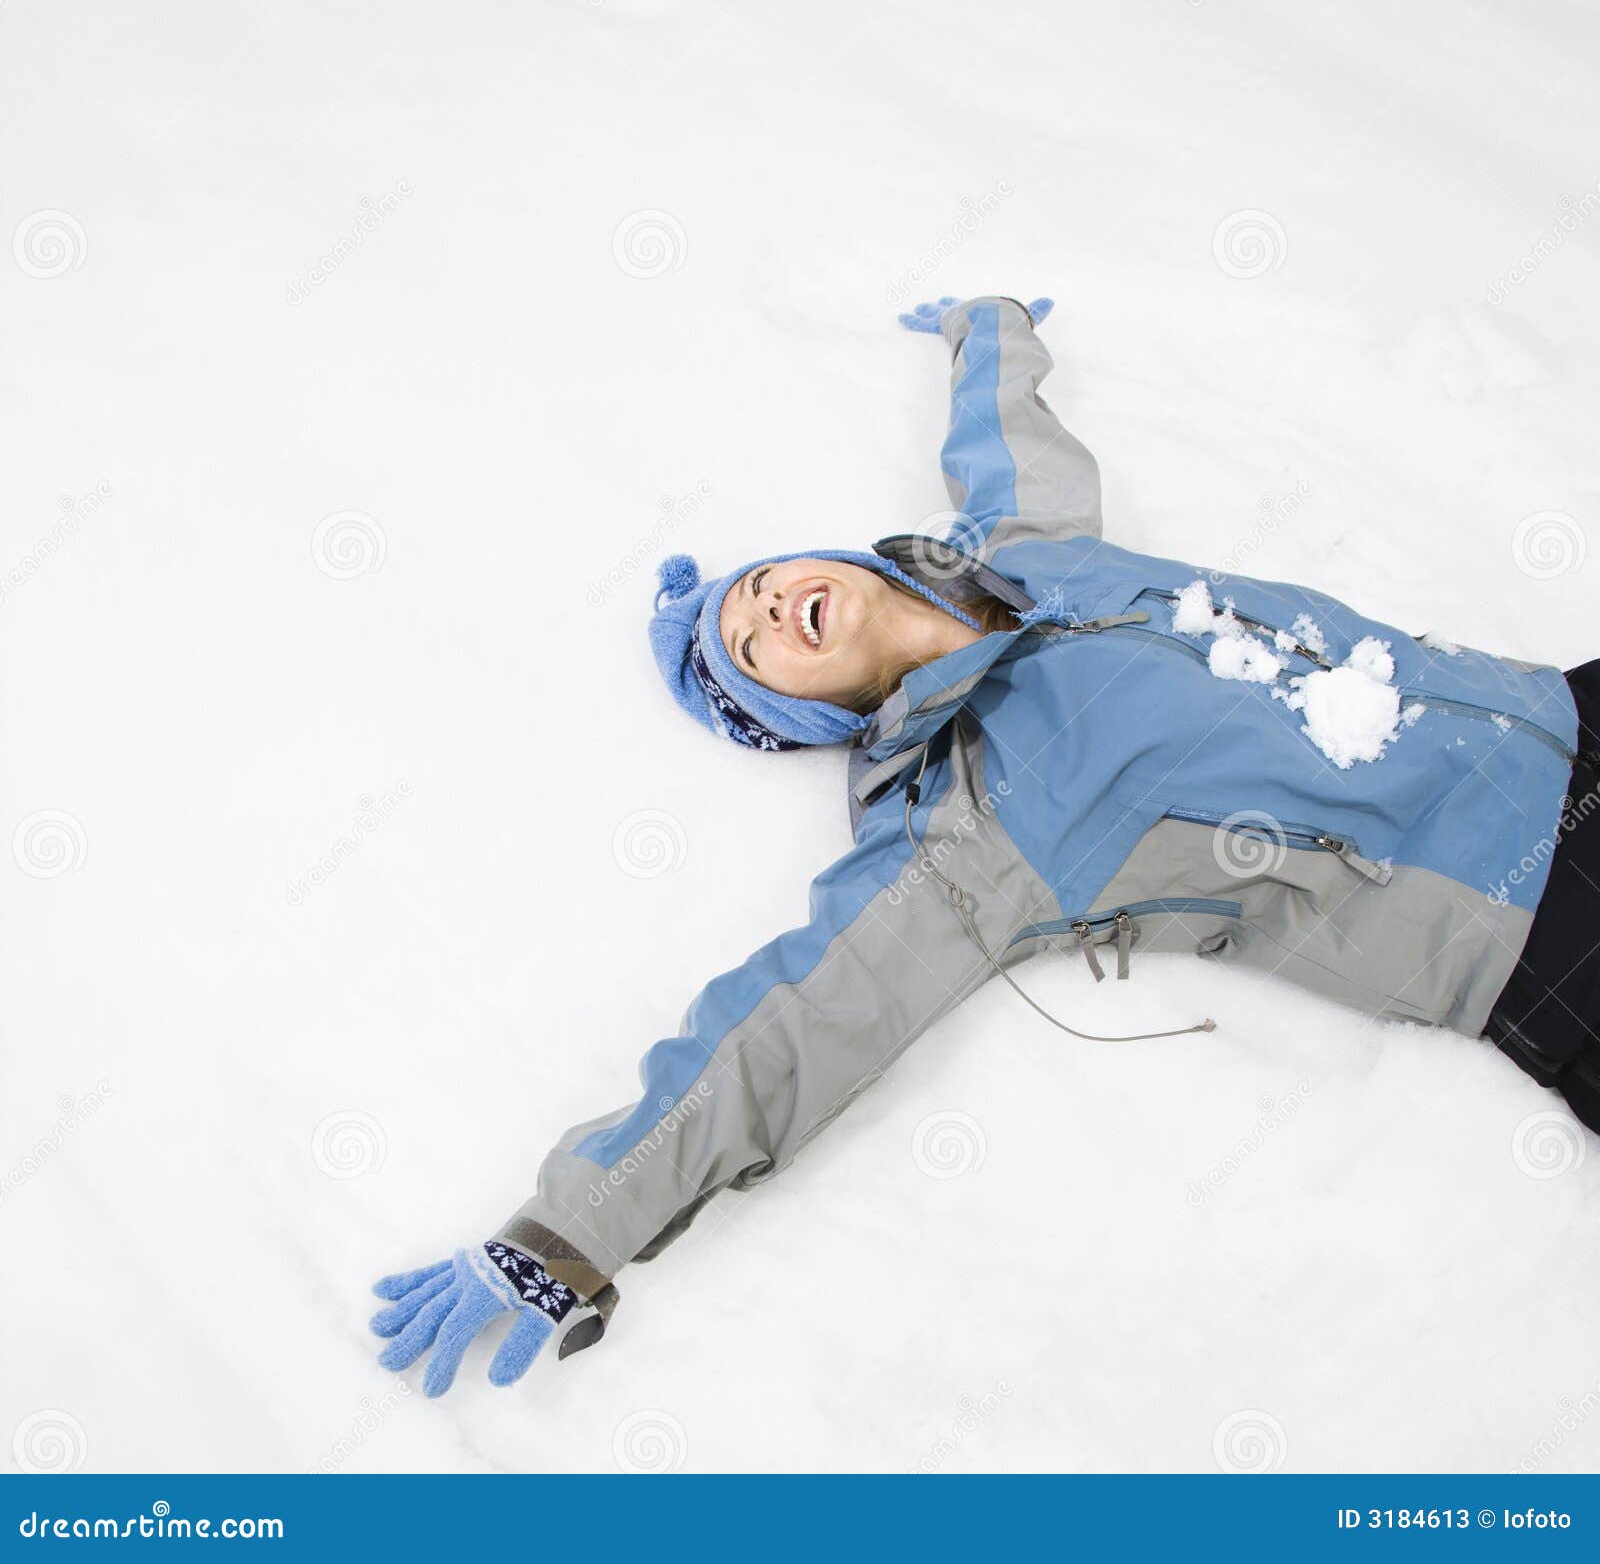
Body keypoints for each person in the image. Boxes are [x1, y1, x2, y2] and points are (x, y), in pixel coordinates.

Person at [368, 294, 1595, 1396]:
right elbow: (782, 1026)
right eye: (749, 652)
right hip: (1538, 925)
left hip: (1558, 710)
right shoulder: (962, 824)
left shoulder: (1022, 551)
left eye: (752, 587)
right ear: (806, 713)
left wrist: (986, 327)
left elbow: (1006, 439)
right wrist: (566, 1230)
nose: (758, 612)